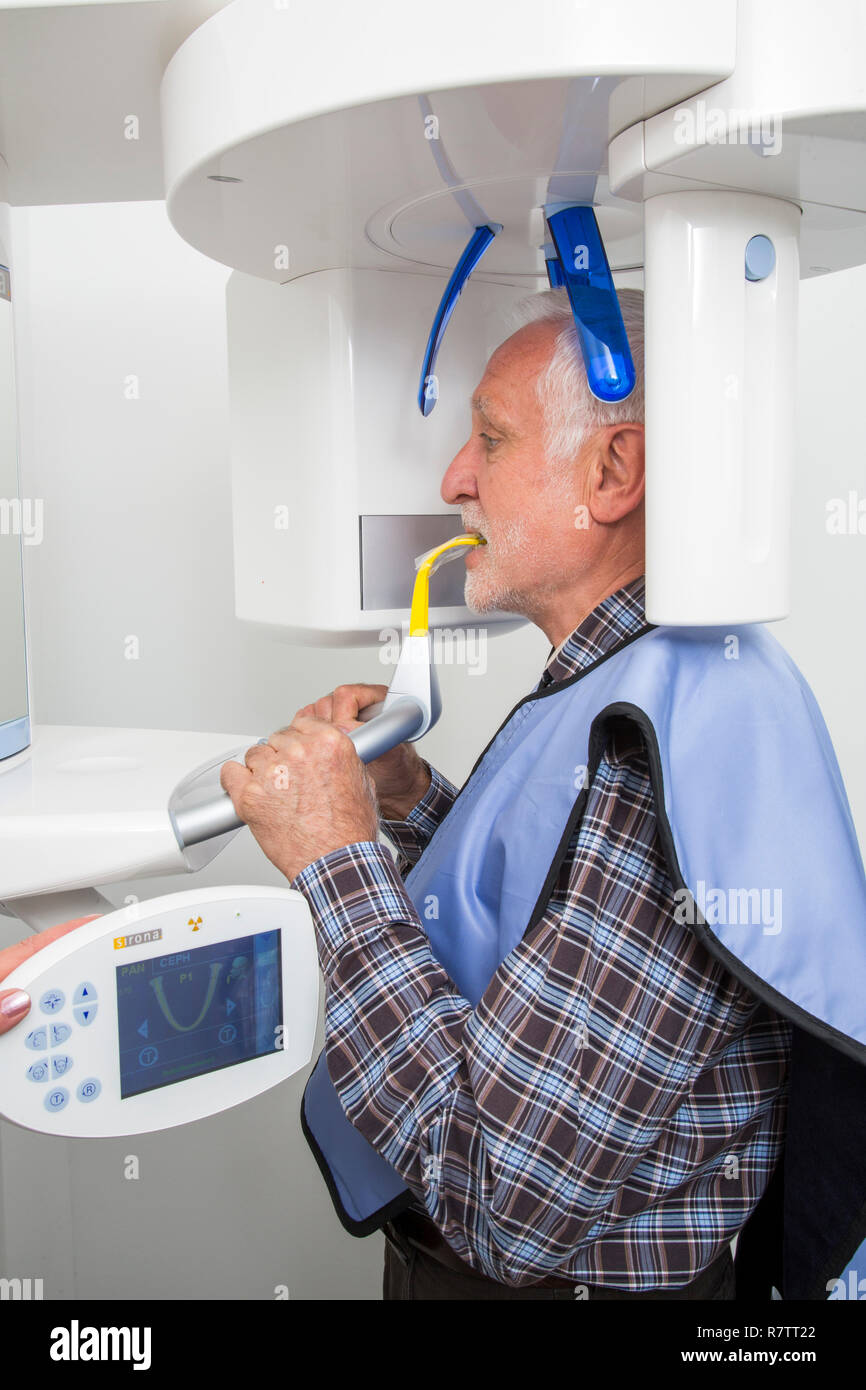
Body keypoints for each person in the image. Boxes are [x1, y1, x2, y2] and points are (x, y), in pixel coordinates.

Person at [219, 287, 800, 1299]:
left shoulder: (678, 730)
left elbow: (500, 1196)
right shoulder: (628, 672)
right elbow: (559, 928)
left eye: (487, 438)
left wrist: (335, 859)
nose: (451, 479)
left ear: (610, 471)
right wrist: (398, 803)